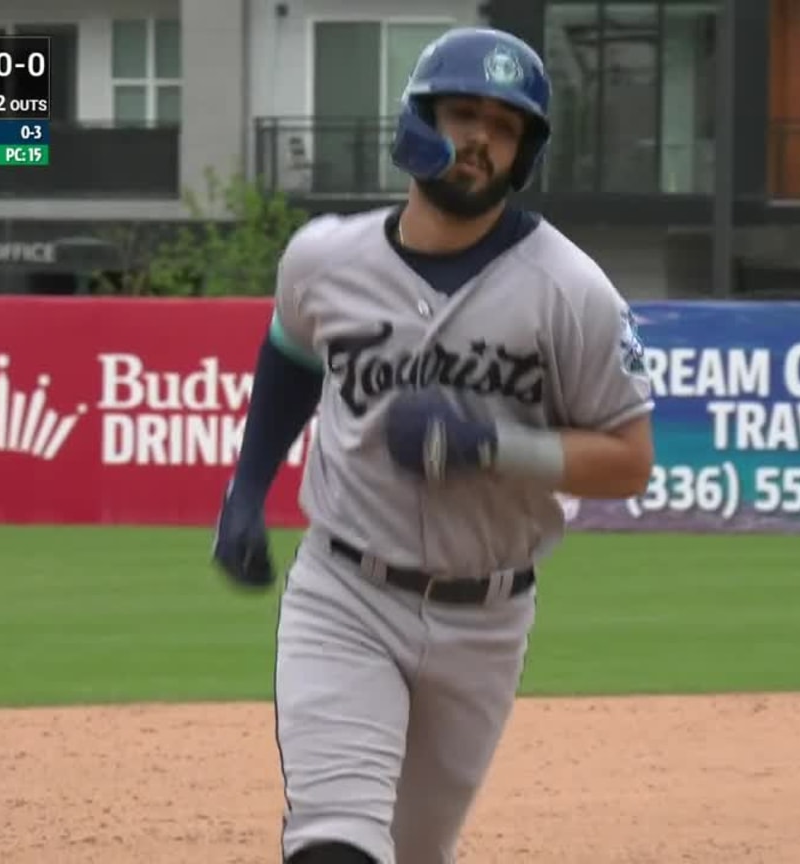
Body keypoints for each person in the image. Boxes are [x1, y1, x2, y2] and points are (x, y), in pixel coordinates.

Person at [210, 27, 655, 863]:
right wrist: (244, 491)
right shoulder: (322, 259)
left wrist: (494, 446)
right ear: (419, 120)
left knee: (415, 851)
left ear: (524, 154)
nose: (479, 138)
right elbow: (291, 357)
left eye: (504, 125)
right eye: (462, 113)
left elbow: (629, 455)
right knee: (335, 844)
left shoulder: (573, 291)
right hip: (343, 590)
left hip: (484, 617)